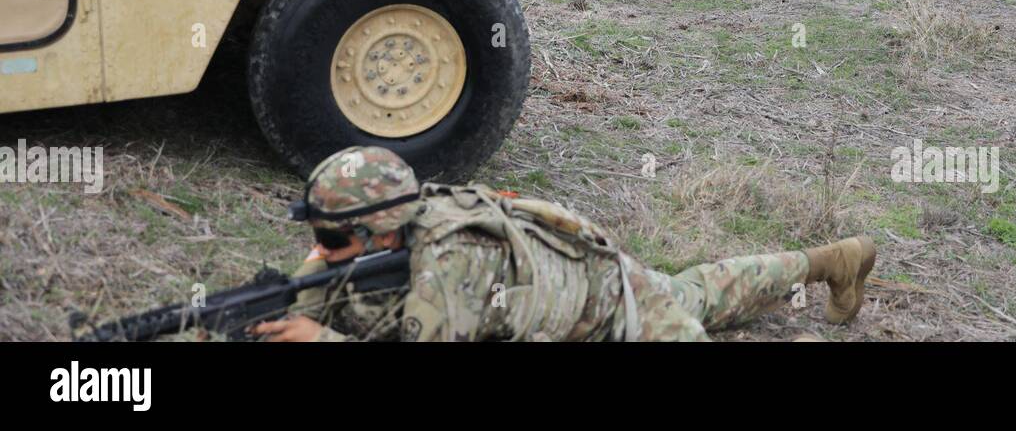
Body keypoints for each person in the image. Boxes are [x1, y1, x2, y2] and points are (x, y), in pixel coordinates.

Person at [251, 146, 878, 342]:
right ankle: (835, 259)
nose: (320, 247)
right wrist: (309, 283)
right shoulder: (408, 211)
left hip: (614, 313)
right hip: (590, 281)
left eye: (332, 236)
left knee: (696, 305)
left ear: (379, 229)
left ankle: (836, 263)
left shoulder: (449, 257)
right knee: (703, 291)